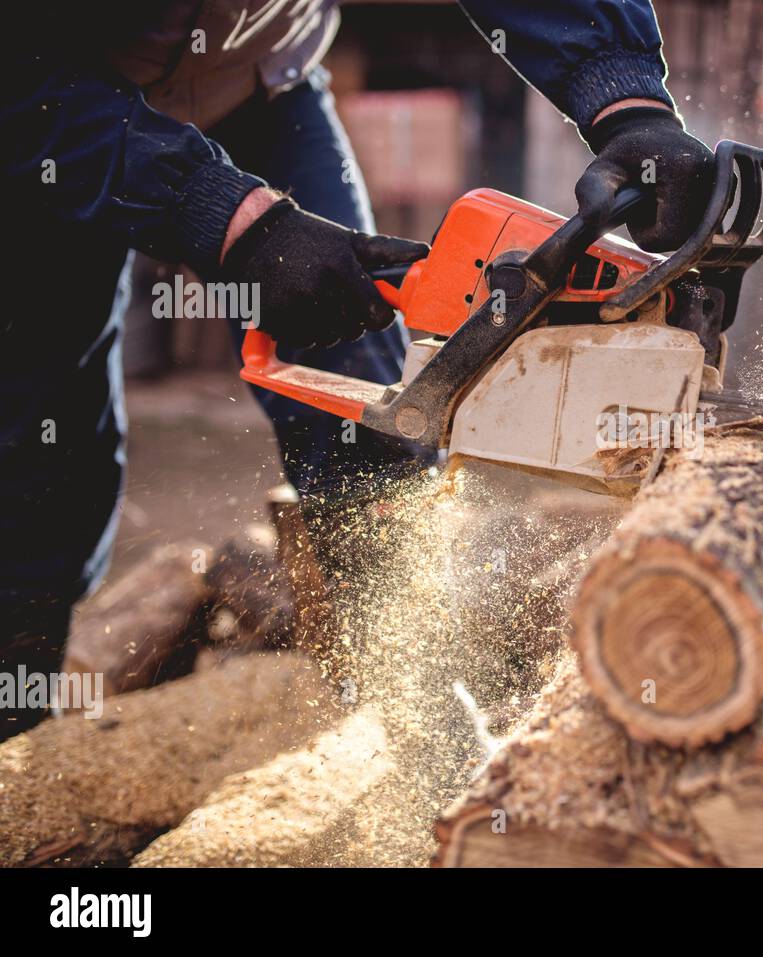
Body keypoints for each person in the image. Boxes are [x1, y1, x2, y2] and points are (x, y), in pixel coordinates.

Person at [0, 1, 714, 737]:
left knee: (369, 420)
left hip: (259, 88)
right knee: (34, 442)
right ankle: (16, 721)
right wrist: (231, 219)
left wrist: (624, 101)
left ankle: (414, 708)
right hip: (48, 107)